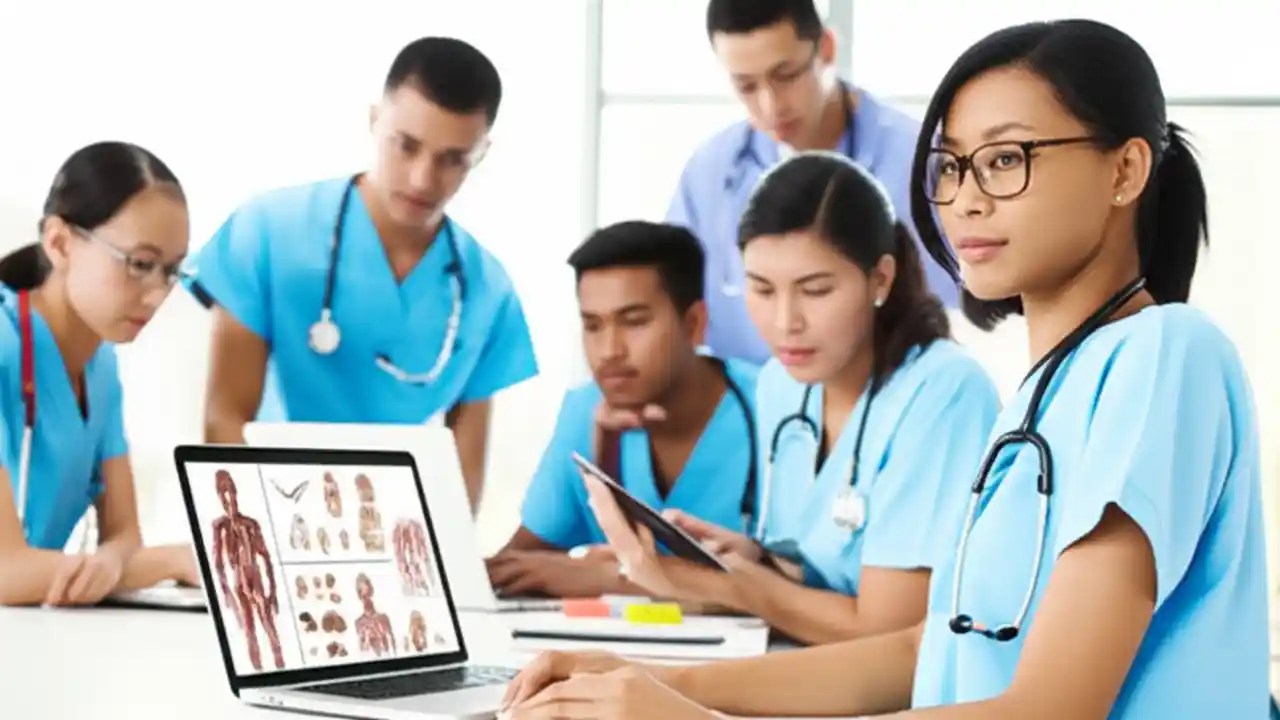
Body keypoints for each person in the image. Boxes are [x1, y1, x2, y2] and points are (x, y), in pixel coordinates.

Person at [499, 19, 1270, 720]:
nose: (964, 200)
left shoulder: (1168, 355)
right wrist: (653, 681)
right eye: (950, 167)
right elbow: (919, 654)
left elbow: (1050, 709)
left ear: (1125, 170)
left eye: (1006, 159)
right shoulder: (1039, 397)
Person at [578, 154, 999, 645]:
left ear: (880, 279)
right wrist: (755, 560)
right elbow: (816, 572)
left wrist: (736, 587)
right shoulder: (781, 385)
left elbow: (891, 633)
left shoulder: (944, 391)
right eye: (761, 289)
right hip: (803, 659)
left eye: (815, 290)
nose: (784, 323)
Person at [188, 36, 538, 513]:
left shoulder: (487, 289)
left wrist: (430, 548)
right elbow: (224, 420)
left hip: (396, 525)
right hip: (269, 508)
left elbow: (461, 481)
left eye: (452, 159)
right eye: (406, 146)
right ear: (375, 120)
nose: (422, 179)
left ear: (482, 154)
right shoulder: (268, 231)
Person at [667, 0, 958, 365]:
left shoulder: (920, 161)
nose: (770, 106)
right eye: (746, 86)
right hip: (749, 396)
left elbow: (957, 316)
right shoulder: (710, 173)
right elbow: (672, 310)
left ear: (827, 50)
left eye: (786, 75)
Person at [486, 221, 759, 600]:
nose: (609, 350)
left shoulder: (774, 409)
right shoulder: (584, 411)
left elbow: (801, 589)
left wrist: (615, 577)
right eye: (593, 325)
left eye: (634, 322)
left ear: (694, 324)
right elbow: (518, 565)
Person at [0, 141, 201, 607]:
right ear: (59, 243)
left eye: (172, 272)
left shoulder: (101, 365)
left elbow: (124, 537)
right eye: (140, 264)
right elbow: (5, 570)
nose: (158, 295)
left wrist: (114, 562)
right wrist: (175, 560)